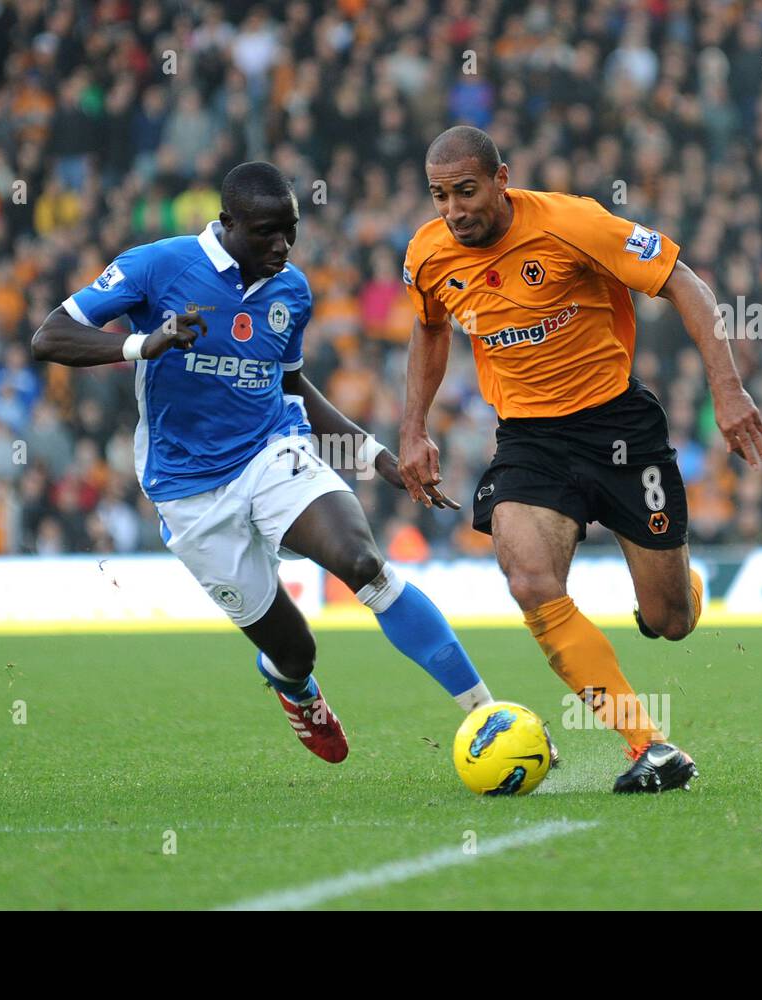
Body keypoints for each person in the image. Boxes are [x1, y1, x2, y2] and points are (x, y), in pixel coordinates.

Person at [32, 161, 512, 768]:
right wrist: (141, 344)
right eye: (266, 232)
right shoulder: (158, 265)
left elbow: (292, 387)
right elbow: (50, 336)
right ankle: (293, 685)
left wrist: (376, 456)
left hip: (270, 452)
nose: (282, 245)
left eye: (291, 229)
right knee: (296, 651)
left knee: (364, 563)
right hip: (188, 490)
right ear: (227, 223)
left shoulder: (291, 289)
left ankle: (488, 713)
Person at [398, 126, 762, 793]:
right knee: (529, 578)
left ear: (501, 178)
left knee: (669, 621)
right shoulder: (428, 256)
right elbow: (428, 330)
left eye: (465, 190)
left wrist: (728, 387)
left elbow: (682, 281)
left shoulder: (574, 224)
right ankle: (648, 745)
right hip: (531, 442)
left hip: (620, 430)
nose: (453, 209)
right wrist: (412, 429)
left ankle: (679, 591)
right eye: (439, 195)